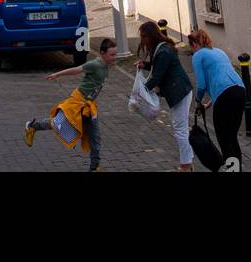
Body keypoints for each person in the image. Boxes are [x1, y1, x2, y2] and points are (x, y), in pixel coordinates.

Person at [24, 38, 118, 172]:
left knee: (95, 137)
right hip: (77, 102)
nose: (115, 57)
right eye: (112, 54)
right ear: (102, 54)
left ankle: (94, 168)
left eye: (116, 54)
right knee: (59, 124)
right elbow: (76, 70)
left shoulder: (106, 65)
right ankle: (32, 126)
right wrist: (57, 74)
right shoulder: (95, 64)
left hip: (89, 107)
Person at [136, 20, 195, 171]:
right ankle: (188, 161)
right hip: (179, 90)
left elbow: (157, 77)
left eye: (144, 37)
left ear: (151, 36)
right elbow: (158, 67)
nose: (143, 41)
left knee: (180, 128)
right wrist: (146, 65)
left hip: (179, 92)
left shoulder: (163, 51)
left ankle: (186, 165)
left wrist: (140, 93)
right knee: (180, 127)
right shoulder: (161, 49)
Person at [188, 28, 246, 171]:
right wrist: (210, 102)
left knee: (224, 139)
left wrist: (197, 102)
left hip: (225, 95)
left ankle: (232, 170)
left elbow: (201, 84)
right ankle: (237, 170)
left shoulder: (198, 55)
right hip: (240, 90)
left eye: (191, 46)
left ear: (194, 44)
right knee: (232, 137)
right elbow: (225, 79)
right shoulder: (219, 52)